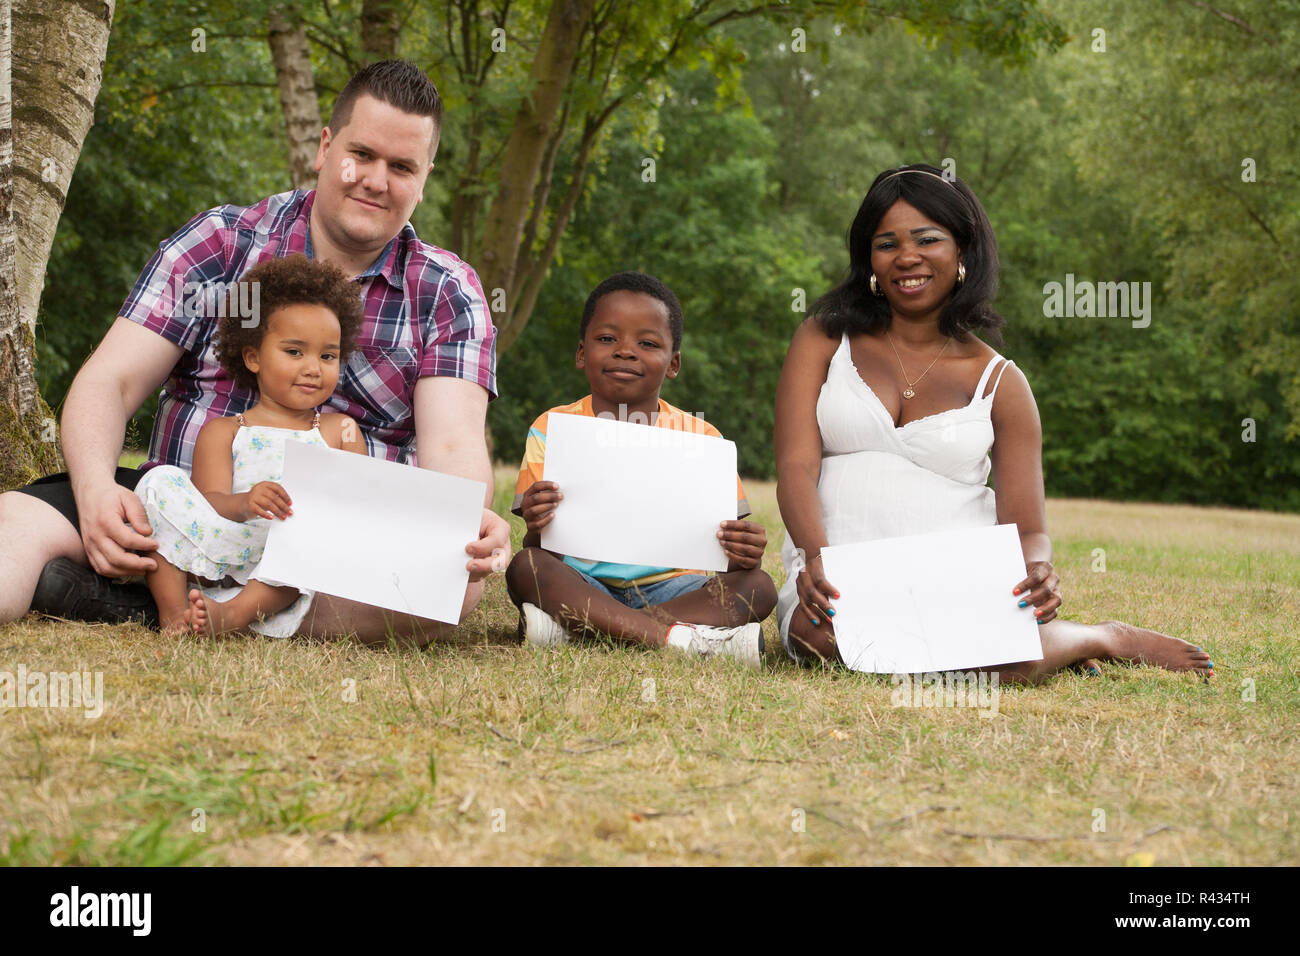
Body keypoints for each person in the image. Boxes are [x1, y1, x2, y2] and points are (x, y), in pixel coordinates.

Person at [1, 59, 509, 644]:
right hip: (184, 514)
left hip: (336, 540)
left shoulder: (447, 290)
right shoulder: (221, 243)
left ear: (424, 178)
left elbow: (452, 444)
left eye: (401, 167)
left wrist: (462, 518)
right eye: (361, 155)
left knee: (455, 581)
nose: (375, 180)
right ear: (325, 147)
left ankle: (178, 611)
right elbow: (108, 383)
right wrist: (94, 492)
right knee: (16, 521)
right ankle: (183, 595)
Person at [773, 163, 1214, 681]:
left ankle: (1100, 636)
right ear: (869, 259)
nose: (906, 257)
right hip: (837, 573)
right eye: (886, 243)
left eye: (926, 239)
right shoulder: (824, 338)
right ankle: (1031, 647)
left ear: (963, 250)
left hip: (952, 583)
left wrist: (1038, 570)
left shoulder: (1002, 383)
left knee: (999, 664)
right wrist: (816, 556)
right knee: (820, 639)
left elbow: (1028, 528)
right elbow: (796, 466)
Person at [505, 271, 776, 668]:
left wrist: (743, 556)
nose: (625, 352)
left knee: (758, 587)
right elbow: (537, 547)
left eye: (647, 343)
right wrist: (535, 520)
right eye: (607, 339)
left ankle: (581, 630)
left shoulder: (703, 438)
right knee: (526, 567)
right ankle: (681, 639)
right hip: (582, 582)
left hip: (676, 588)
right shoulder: (552, 428)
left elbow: (728, 560)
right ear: (582, 353)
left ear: (673, 363)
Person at [138, 256, 368, 636]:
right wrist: (245, 503)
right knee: (158, 482)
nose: (314, 367)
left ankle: (234, 615)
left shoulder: (339, 430)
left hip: (291, 561)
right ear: (253, 357)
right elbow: (207, 503)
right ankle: (176, 612)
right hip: (228, 542)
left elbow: (357, 502)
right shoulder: (225, 432)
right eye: (295, 352)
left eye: (328, 356)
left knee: (318, 534)